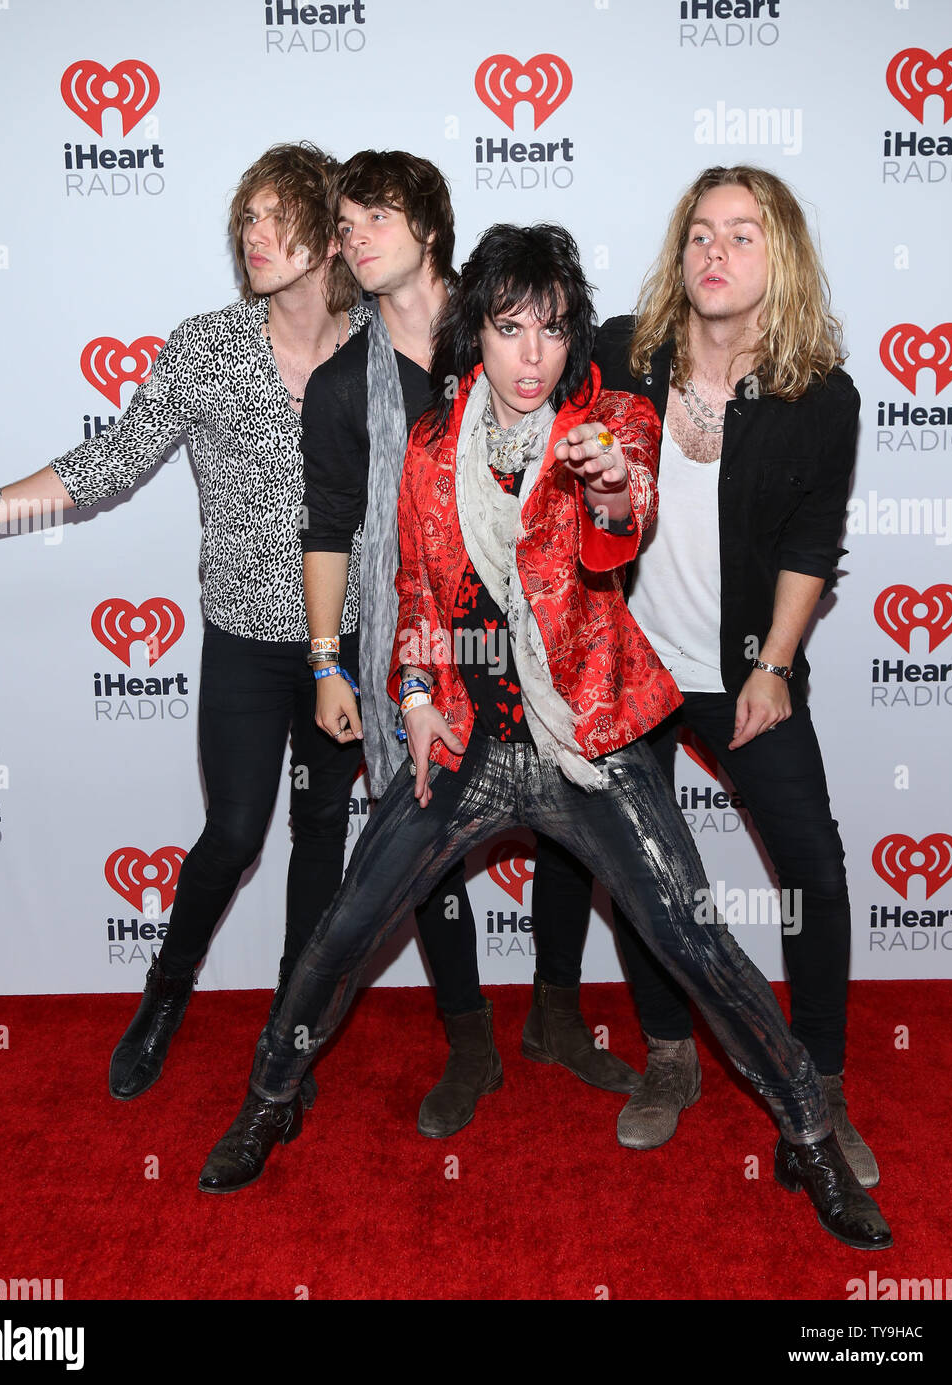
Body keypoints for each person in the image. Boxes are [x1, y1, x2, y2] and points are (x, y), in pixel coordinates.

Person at [197, 222, 891, 1253]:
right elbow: (418, 589)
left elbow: (626, 512)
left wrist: (605, 474)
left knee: (694, 938)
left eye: (554, 330)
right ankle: (269, 1095)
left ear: (576, 340)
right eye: (510, 327)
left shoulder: (609, 419)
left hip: (589, 739)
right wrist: (420, 690)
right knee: (346, 924)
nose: (532, 354)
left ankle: (805, 1131)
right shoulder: (433, 446)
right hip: (470, 743)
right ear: (474, 328)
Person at [0, 143, 367, 1107]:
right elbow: (109, 468)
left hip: (351, 649)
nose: (256, 235)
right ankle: (166, 992)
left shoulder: (383, 346)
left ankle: (288, 1038)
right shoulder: (206, 346)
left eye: (278, 216)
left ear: (332, 234)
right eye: (246, 219)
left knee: (324, 831)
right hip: (246, 646)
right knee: (236, 832)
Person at [299, 151, 634, 1140]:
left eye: (378, 216)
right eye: (345, 223)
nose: (356, 237)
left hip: (547, 635)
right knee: (427, 845)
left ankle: (558, 1014)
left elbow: (601, 437)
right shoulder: (341, 386)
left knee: (570, 826)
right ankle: (467, 1039)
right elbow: (328, 529)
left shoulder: (509, 316)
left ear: (431, 228)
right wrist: (327, 657)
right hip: (428, 645)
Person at [592, 166, 878, 1185]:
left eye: (741, 236)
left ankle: (819, 1084)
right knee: (641, 871)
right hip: (624, 664)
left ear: (779, 257)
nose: (714, 254)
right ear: (679, 256)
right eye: (699, 235)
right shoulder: (619, 356)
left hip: (740, 668)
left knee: (812, 867)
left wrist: (772, 664)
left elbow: (810, 545)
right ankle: (668, 1053)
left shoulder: (818, 396)